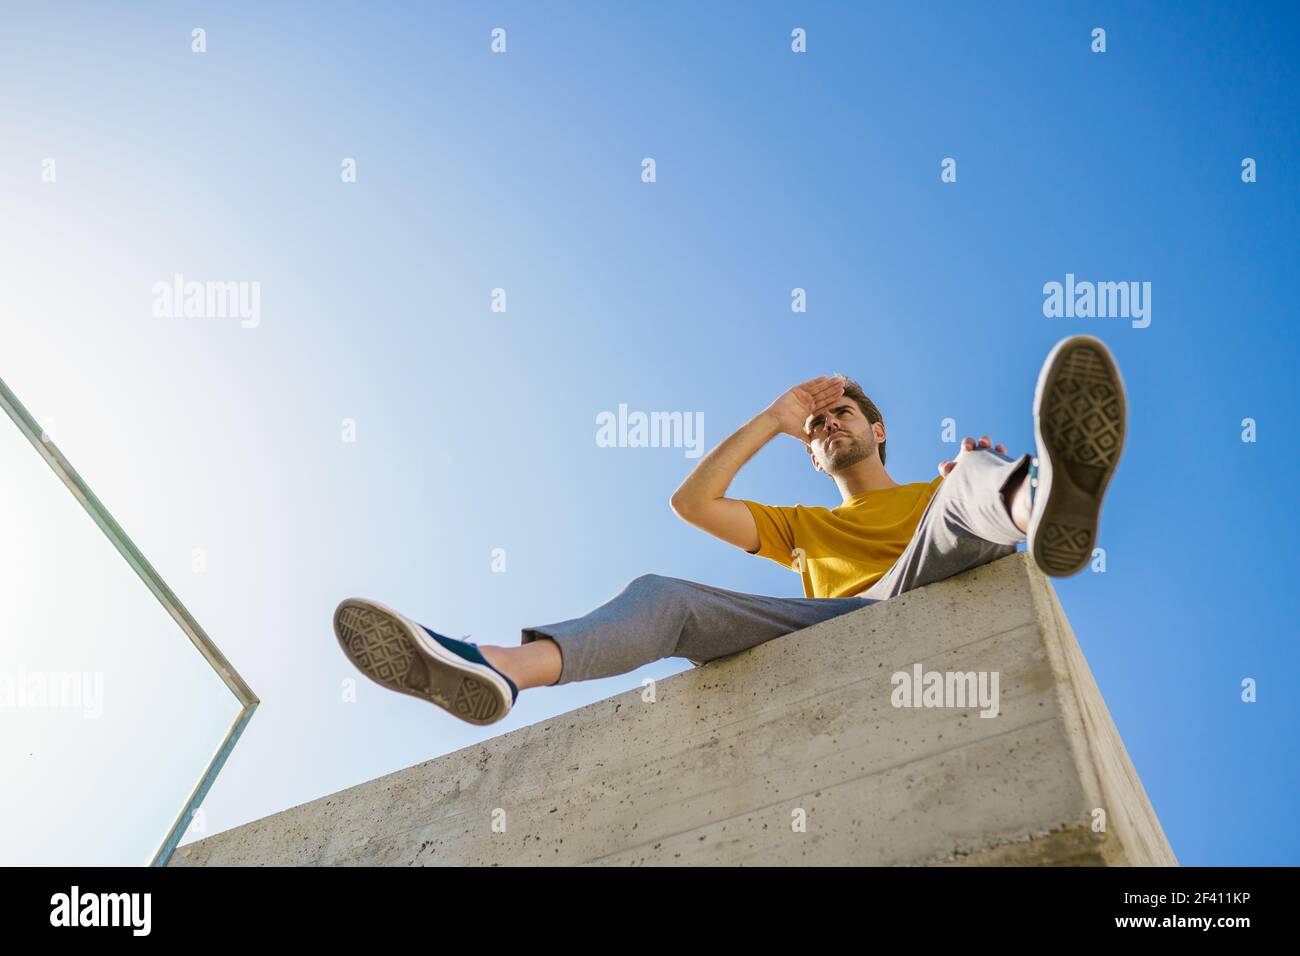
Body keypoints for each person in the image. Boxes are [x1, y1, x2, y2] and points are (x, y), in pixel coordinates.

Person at [334, 333, 1126, 726]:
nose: (827, 426)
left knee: (974, 474)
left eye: (841, 414)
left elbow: (955, 501)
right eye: (816, 428)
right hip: (841, 619)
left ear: (877, 430)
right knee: (663, 594)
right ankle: (499, 669)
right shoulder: (801, 527)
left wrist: (977, 481)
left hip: (940, 547)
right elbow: (692, 503)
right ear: (812, 456)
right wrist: (774, 419)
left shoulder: (932, 487)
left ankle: (1045, 499)